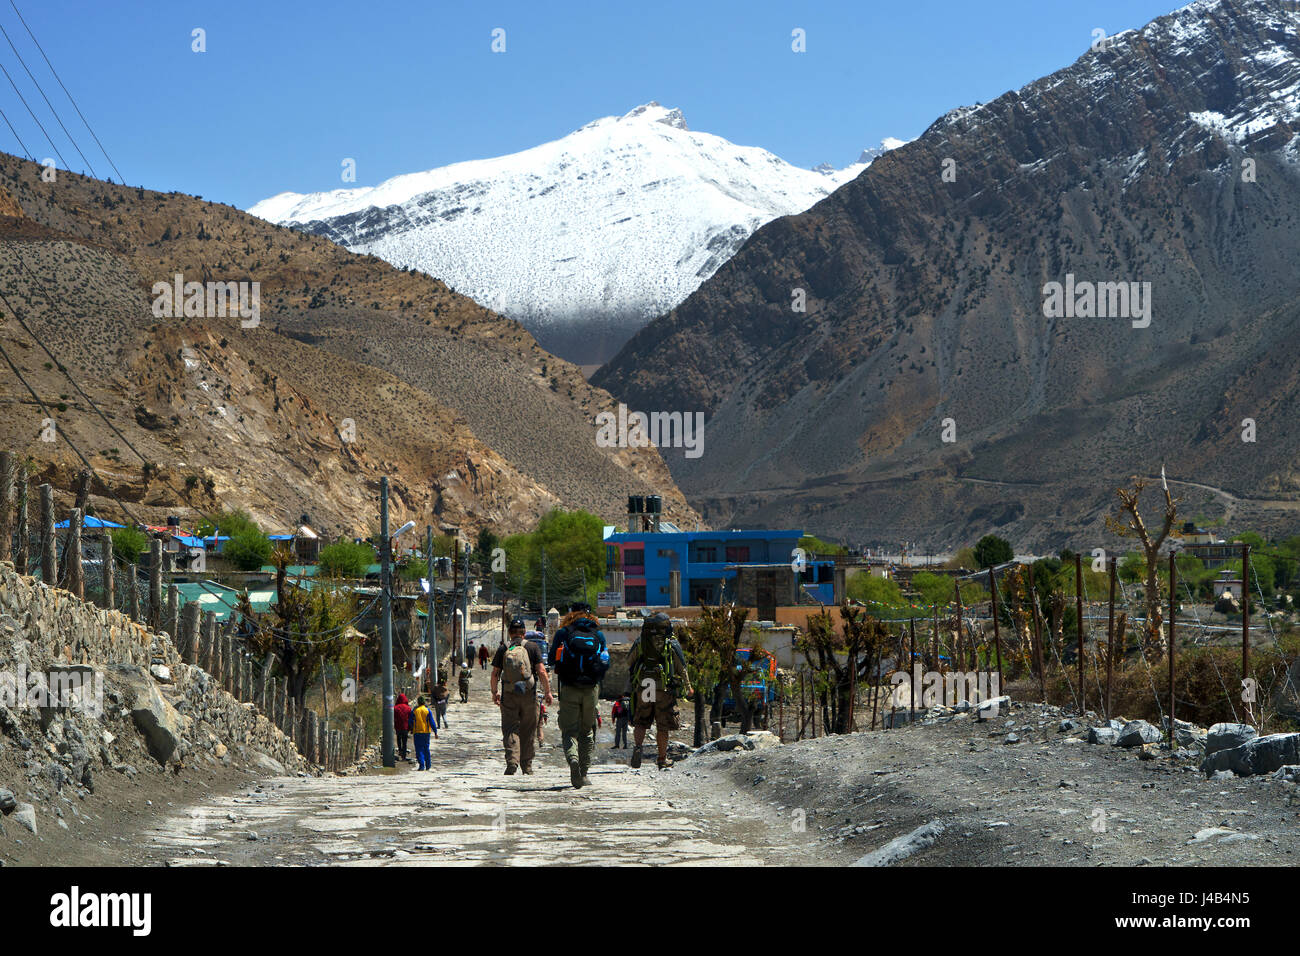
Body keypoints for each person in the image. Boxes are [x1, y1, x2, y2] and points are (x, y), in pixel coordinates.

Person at [550, 602, 610, 789]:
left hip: (568, 687)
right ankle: (584, 773)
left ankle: (573, 760)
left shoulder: (563, 633)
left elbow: (552, 659)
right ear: (589, 614)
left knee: (569, 731)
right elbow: (605, 661)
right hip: (591, 689)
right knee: (587, 731)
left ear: (571, 613)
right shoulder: (598, 634)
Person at [627, 612, 693, 770]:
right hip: (663, 689)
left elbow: (629, 661)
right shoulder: (671, 643)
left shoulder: (641, 641)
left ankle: (637, 748)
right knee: (662, 726)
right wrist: (688, 687)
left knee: (641, 722)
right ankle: (662, 759)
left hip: (644, 687)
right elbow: (681, 667)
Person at [491, 617, 552, 775]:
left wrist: (494, 692)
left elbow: (495, 673)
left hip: (509, 694)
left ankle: (512, 761)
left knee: (510, 727)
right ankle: (527, 766)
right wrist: (547, 692)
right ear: (524, 633)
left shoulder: (503, 648)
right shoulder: (532, 647)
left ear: (510, 633)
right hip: (529, 694)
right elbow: (541, 671)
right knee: (528, 730)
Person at [411, 695, 435, 771]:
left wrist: (412, 728)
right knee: (426, 748)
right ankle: (428, 765)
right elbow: (432, 722)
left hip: (417, 732)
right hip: (426, 732)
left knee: (419, 749)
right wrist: (435, 732)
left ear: (418, 702)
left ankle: (421, 765)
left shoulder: (415, 711)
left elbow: (410, 721)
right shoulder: (427, 710)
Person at [394, 693, 413, 761]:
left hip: (398, 727)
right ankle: (404, 756)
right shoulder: (408, 708)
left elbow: (394, 717)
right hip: (405, 727)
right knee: (404, 741)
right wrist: (411, 728)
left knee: (399, 739)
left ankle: (400, 751)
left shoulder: (395, 708)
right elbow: (411, 718)